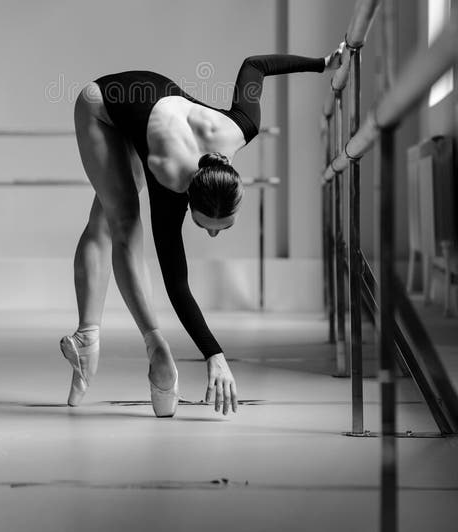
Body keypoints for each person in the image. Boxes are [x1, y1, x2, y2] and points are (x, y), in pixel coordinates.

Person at [61, 45, 345, 418]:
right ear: (186, 197)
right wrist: (215, 354)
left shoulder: (241, 126)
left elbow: (255, 66)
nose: (212, 235)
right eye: (205, 225)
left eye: (219, 228)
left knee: (105, 217)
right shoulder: (168, 173)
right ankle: (155, 348)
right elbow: (176, 282)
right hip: (101, 105)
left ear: (237, 186)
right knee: (124, 220)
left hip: (146, 107)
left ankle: (86, 337)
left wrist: (323, 64)